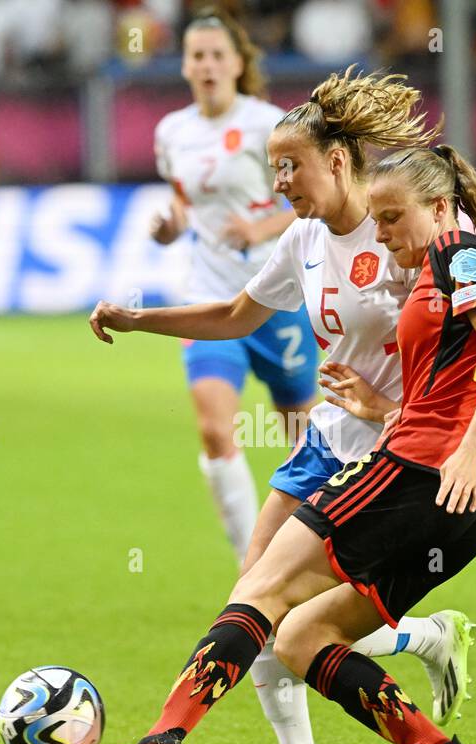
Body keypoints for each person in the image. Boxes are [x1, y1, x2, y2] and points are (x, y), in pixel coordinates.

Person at [74, 142, 476, 744]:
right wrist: (395, 414)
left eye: (393, 218)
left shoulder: (463, 255)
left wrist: (467, 448)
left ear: (440, 207)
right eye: (375, 218)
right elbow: (457, 375)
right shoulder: (443, 261)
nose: (380, 234)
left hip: (416, 473)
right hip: (466, 508)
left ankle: (162, 739)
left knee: (262, 583)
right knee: (301, 636)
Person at [150, 9, 316, 566]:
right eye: (197, 55)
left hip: (277, 297)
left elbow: (307, 205)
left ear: (238, 63)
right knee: (215, 430)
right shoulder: (172, 132)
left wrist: (259, 229)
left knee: (304, 438)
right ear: (185, 65)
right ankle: (254, 565)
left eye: (218, 55)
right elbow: (184, 201)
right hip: (208, 299)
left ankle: (305, 559)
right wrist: (171, 224)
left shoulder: (271, 124)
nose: (207, 65)